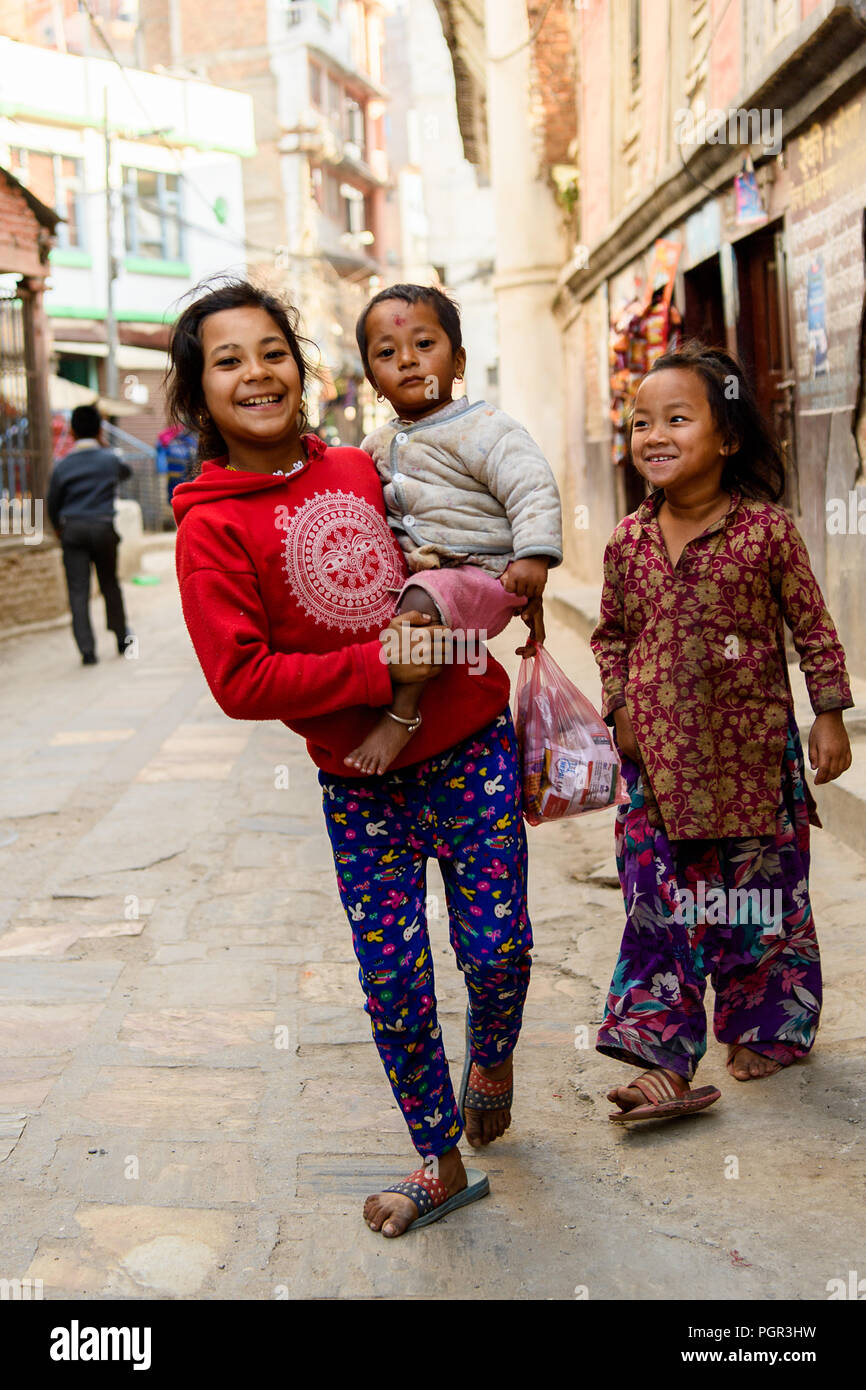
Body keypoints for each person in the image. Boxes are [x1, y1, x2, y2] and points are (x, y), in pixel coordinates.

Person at [168, 278, 533, 1236]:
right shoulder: (210, 523)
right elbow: (240, 681)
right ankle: (439, 1158)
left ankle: (493, 1049)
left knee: (498, 952)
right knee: (393, 978)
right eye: (228, 360)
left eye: (272, 351)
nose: (257, 374)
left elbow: (469, 556)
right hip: (359, 783)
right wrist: (376, 667)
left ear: (302, 363)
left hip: (470, 746)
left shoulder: (372, 467)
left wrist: (504, 582)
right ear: (197, 392)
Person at [590, 341, 853, 1123]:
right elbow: (610, 637)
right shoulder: (625, 543)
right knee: (656, 909)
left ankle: (768, 1028)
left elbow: (814, 628)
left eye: (678, 418)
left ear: (727, 438)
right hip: (656, 773)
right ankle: (659, 1058)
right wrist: (620, 707)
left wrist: (830, 716)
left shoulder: (767, 533)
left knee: (759, 907)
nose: (655, 435)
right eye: (642, 422)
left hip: (750, 763)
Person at [347, 283, 562, 775]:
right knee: (394, 609)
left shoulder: (485, 427)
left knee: (420, 602)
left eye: (424, 345)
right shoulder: (376, 445)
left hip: (485, 575)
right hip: (431, 578)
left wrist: (533, 557)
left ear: (458, 362)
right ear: (373, 380)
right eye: (387, 352)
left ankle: (402, 714)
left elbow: (531, 486)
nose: (407, 360)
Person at [47, 403, 133, 665]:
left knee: (78, 591)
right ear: (99, 430)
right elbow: (126, 472)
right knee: (110, 584)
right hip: (103, 528)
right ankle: (122, 638)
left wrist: (59, 529)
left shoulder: (62, 466)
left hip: (72, 530)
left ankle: (87, 650)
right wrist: (104, 445)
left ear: (71, 432)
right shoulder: (109, 459)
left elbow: (52, 503)